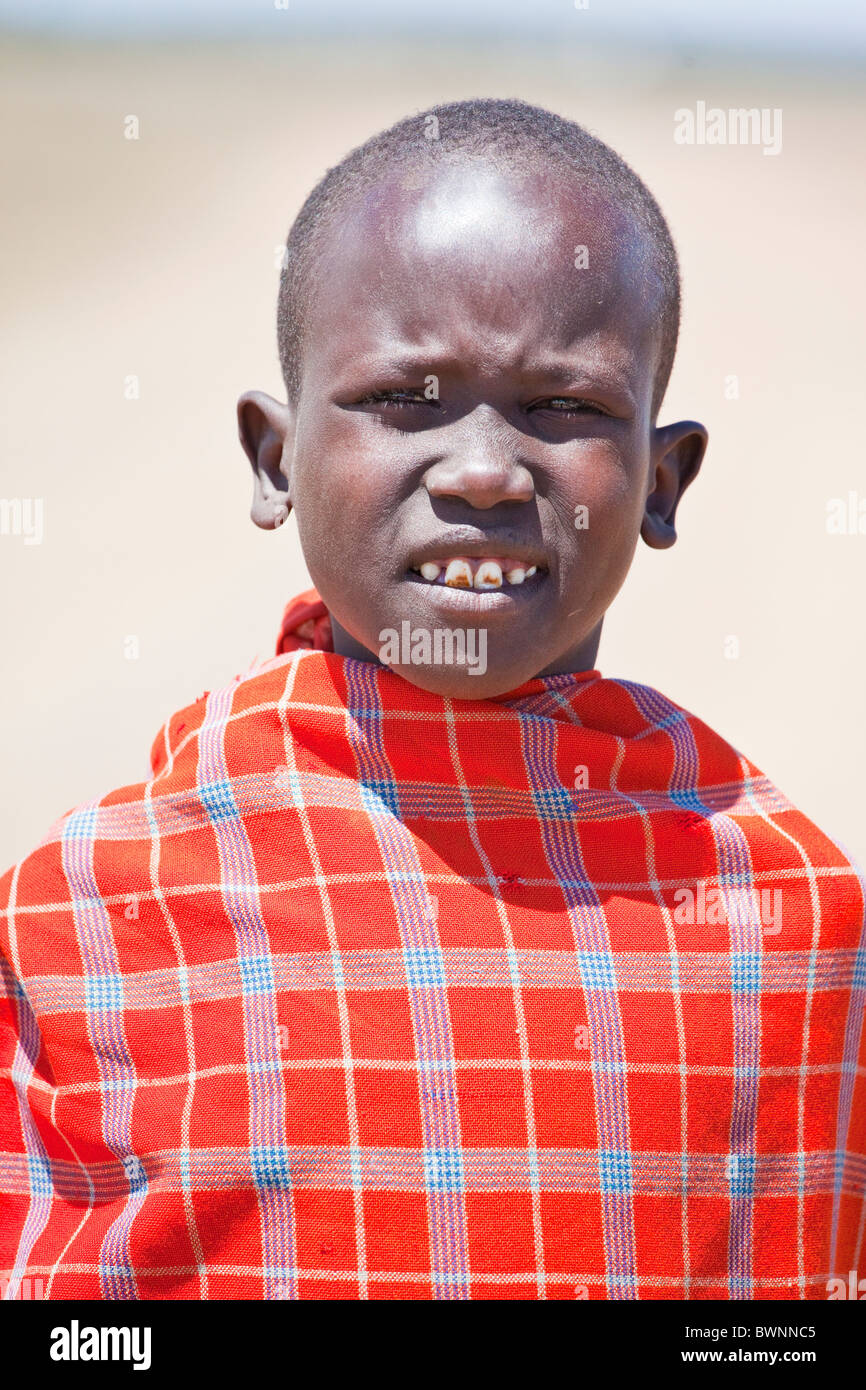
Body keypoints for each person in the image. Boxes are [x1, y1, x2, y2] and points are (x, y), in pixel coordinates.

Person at [1, 99, 863, 1301]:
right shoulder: (96, 915)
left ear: (661, 483)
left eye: (563, 407)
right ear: (274, 461)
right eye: (408, 396)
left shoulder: (792, 915)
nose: (480, 469)